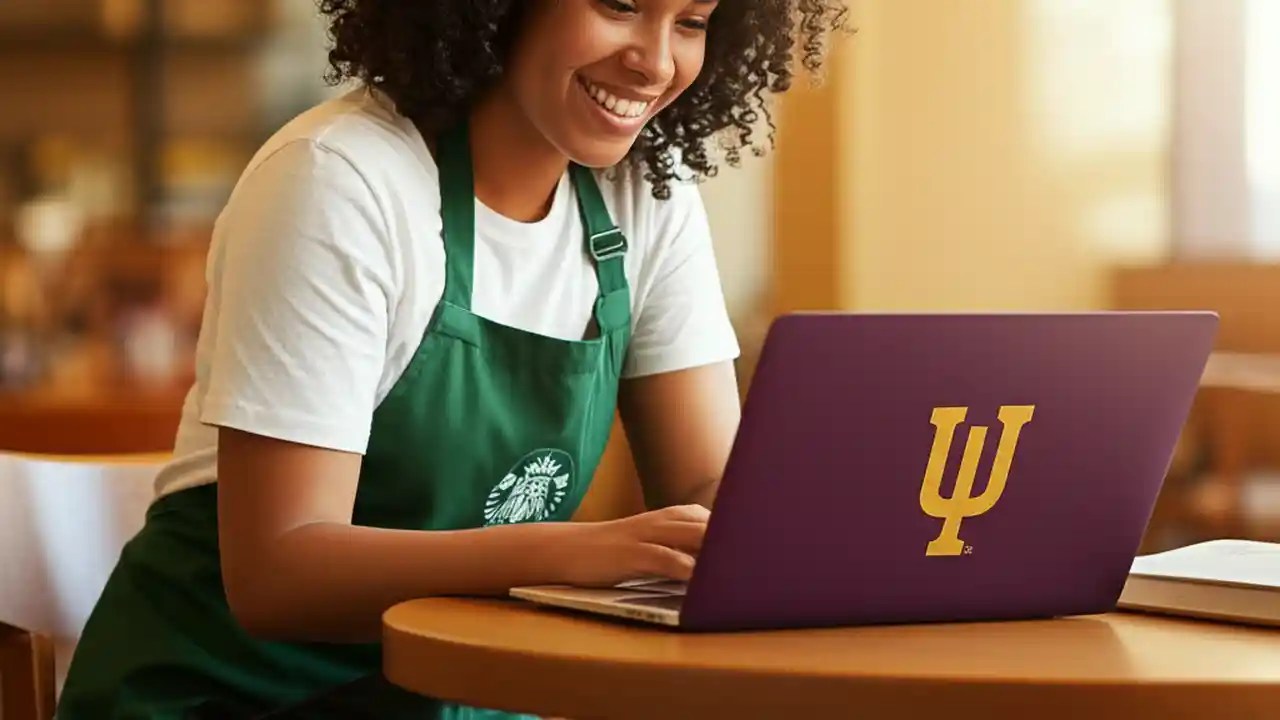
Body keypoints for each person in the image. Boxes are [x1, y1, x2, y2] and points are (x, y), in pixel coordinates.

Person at [57, 0, 846, 717]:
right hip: (225, 699)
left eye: (692, 21)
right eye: (620, 5)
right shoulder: (341, 181)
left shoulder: (647, 202)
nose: (655, 60)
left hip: (462, 695)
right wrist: (574, 554)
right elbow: (278, 573)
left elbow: (711, 492)